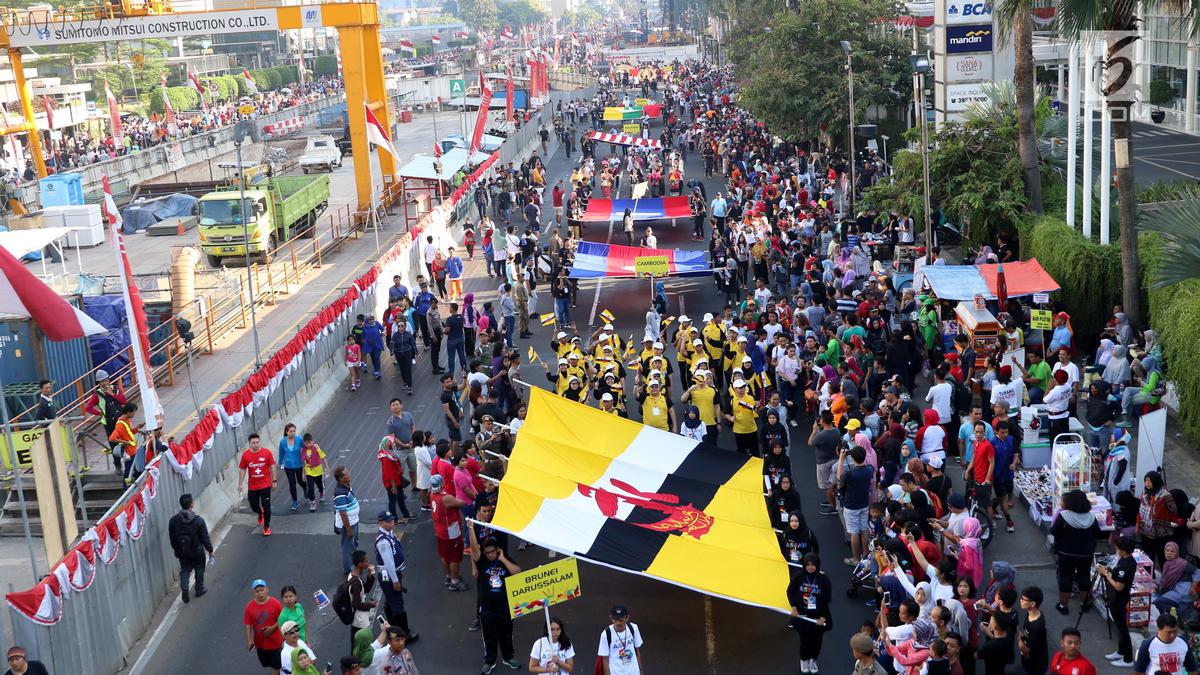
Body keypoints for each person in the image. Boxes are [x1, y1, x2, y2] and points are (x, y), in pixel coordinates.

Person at [470, 526, 522, 673]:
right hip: (487, 608)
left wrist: (503, 559)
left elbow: (517, 572)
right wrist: (471, 529)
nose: (490, 555)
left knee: (506, 634)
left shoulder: (504, 560)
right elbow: (474, 549)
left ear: (497, 550)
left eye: (492, 552)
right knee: (489, 637)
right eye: (487, 553)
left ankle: (508, 658)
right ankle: (489, 661)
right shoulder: (482, 561)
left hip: (505, 606)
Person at [1049, 490, 1100, 615]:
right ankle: (1084, 604)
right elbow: (1098, 533)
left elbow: (1054, 531)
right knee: (1084, 577)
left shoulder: (1064, 516)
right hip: (1086, 554)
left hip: (1066, 553)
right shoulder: (1091, 517)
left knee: (1065, 577)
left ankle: (1063, 605)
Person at [374, 510, 418, 643]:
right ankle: (403, 635)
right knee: (398, 604)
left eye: (392, 519)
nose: (392, 522)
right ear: (381, 523)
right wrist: (395, 580)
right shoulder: (382, 541)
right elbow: (388, 562)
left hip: (394, 573)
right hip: (389, 575)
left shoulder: (389, 533)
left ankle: (392, 629)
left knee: (390, 601)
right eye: (388, 521)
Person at [788, 553, 832, 673]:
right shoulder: (798, 576)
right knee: (805, 640)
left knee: (817, 640)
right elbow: (790, 591)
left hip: (818, 616)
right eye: (808, 565)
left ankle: (813, 660)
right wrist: (793, 607)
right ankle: (804, 659)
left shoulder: (824, 579)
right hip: (803, 615)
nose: (810, 568)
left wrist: (822, 617)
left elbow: (826, 599)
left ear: (817, 565)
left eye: (813, 565)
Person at [1098, 536, 1138, 667]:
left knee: (1122, 630)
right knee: (1120, 628)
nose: (1116, 549)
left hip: (1118, 600)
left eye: (1118, 548)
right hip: (1119, 599)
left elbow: (1118, 586)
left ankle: (1127, 659)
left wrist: (1106, 574)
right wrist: (1110, 571)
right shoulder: (1128, 560)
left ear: (1123, 550)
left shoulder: (1125, 565)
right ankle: (1121, 652)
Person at [168, 493, 213, 603]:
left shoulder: (173, 521)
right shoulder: (198, 520)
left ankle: (184, 586)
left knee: (185, 570)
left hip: (182, 551)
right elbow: (204, 537)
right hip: (197, 550)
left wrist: (177, 550)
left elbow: (172, 538)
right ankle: (199, 589)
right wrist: (210, 549)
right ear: (191, 504)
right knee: (199, 568)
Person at [239, 433, 277, 536]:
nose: (256, 444)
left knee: (267, 506)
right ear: (249, 444)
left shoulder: (266, 453)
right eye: (253, 443)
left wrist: (274, 481)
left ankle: (266, 527)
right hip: (253, 486)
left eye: (257, 442)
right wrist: (240, 484)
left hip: (265, 485)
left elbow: (272, 466)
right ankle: (260, 512)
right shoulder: (246, 455)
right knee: (253, 505)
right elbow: (243, 469)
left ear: (260, 442)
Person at [244, 579, 285, 673]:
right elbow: (248, 624)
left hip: (275, 642)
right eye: (257, 591)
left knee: (276, 666)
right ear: (253, 593)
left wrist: (272, 628)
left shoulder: (275, 603)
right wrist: (249, 640)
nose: (260, 593)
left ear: (267, 589)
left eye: (262, 590)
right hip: (260, 644)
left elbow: (282, 619)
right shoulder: (249, 607)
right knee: (266, 663)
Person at [598, 605, 644, 675]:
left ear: (627, 618)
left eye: (620, 620)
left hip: (634, 672)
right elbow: (605, 660)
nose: (618, 623)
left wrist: (641, 670)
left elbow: (637, 651)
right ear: (611, 618)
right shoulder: (606, 634)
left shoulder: (633, 628)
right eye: (615, 619)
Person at [332, 465, 361, 574]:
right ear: (340, 478)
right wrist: (348, 529)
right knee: (347, 547)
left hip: (354, 521)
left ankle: (354, 562)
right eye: (346, 474)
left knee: (354, 544)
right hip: (348, 525)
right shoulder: (339, 493)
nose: (349, 475)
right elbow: (342, 513)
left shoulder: (346, 485)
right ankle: (349, 569)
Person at [1018, 587, 1048, 675]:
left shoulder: (1037, 626)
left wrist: (1019, 640)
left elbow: (1026, 650)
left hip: (1035, 665)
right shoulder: (1030, 613)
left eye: (1023, 599)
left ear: (1032, 603)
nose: (1020, 600)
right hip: (1028, 659)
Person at [279, 424, 305, 511]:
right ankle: (295, 501)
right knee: (292, 483)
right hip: (288, 466)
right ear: (287, 432)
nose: (293, 433)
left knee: (300, 481)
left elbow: (305, 447)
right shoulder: (283, 441)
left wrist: (307, 457)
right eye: (291, 431)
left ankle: (305, 488)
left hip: (298, 465)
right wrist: (280, 463)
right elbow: (281, 453)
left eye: (294, 431)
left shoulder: (299, 439)